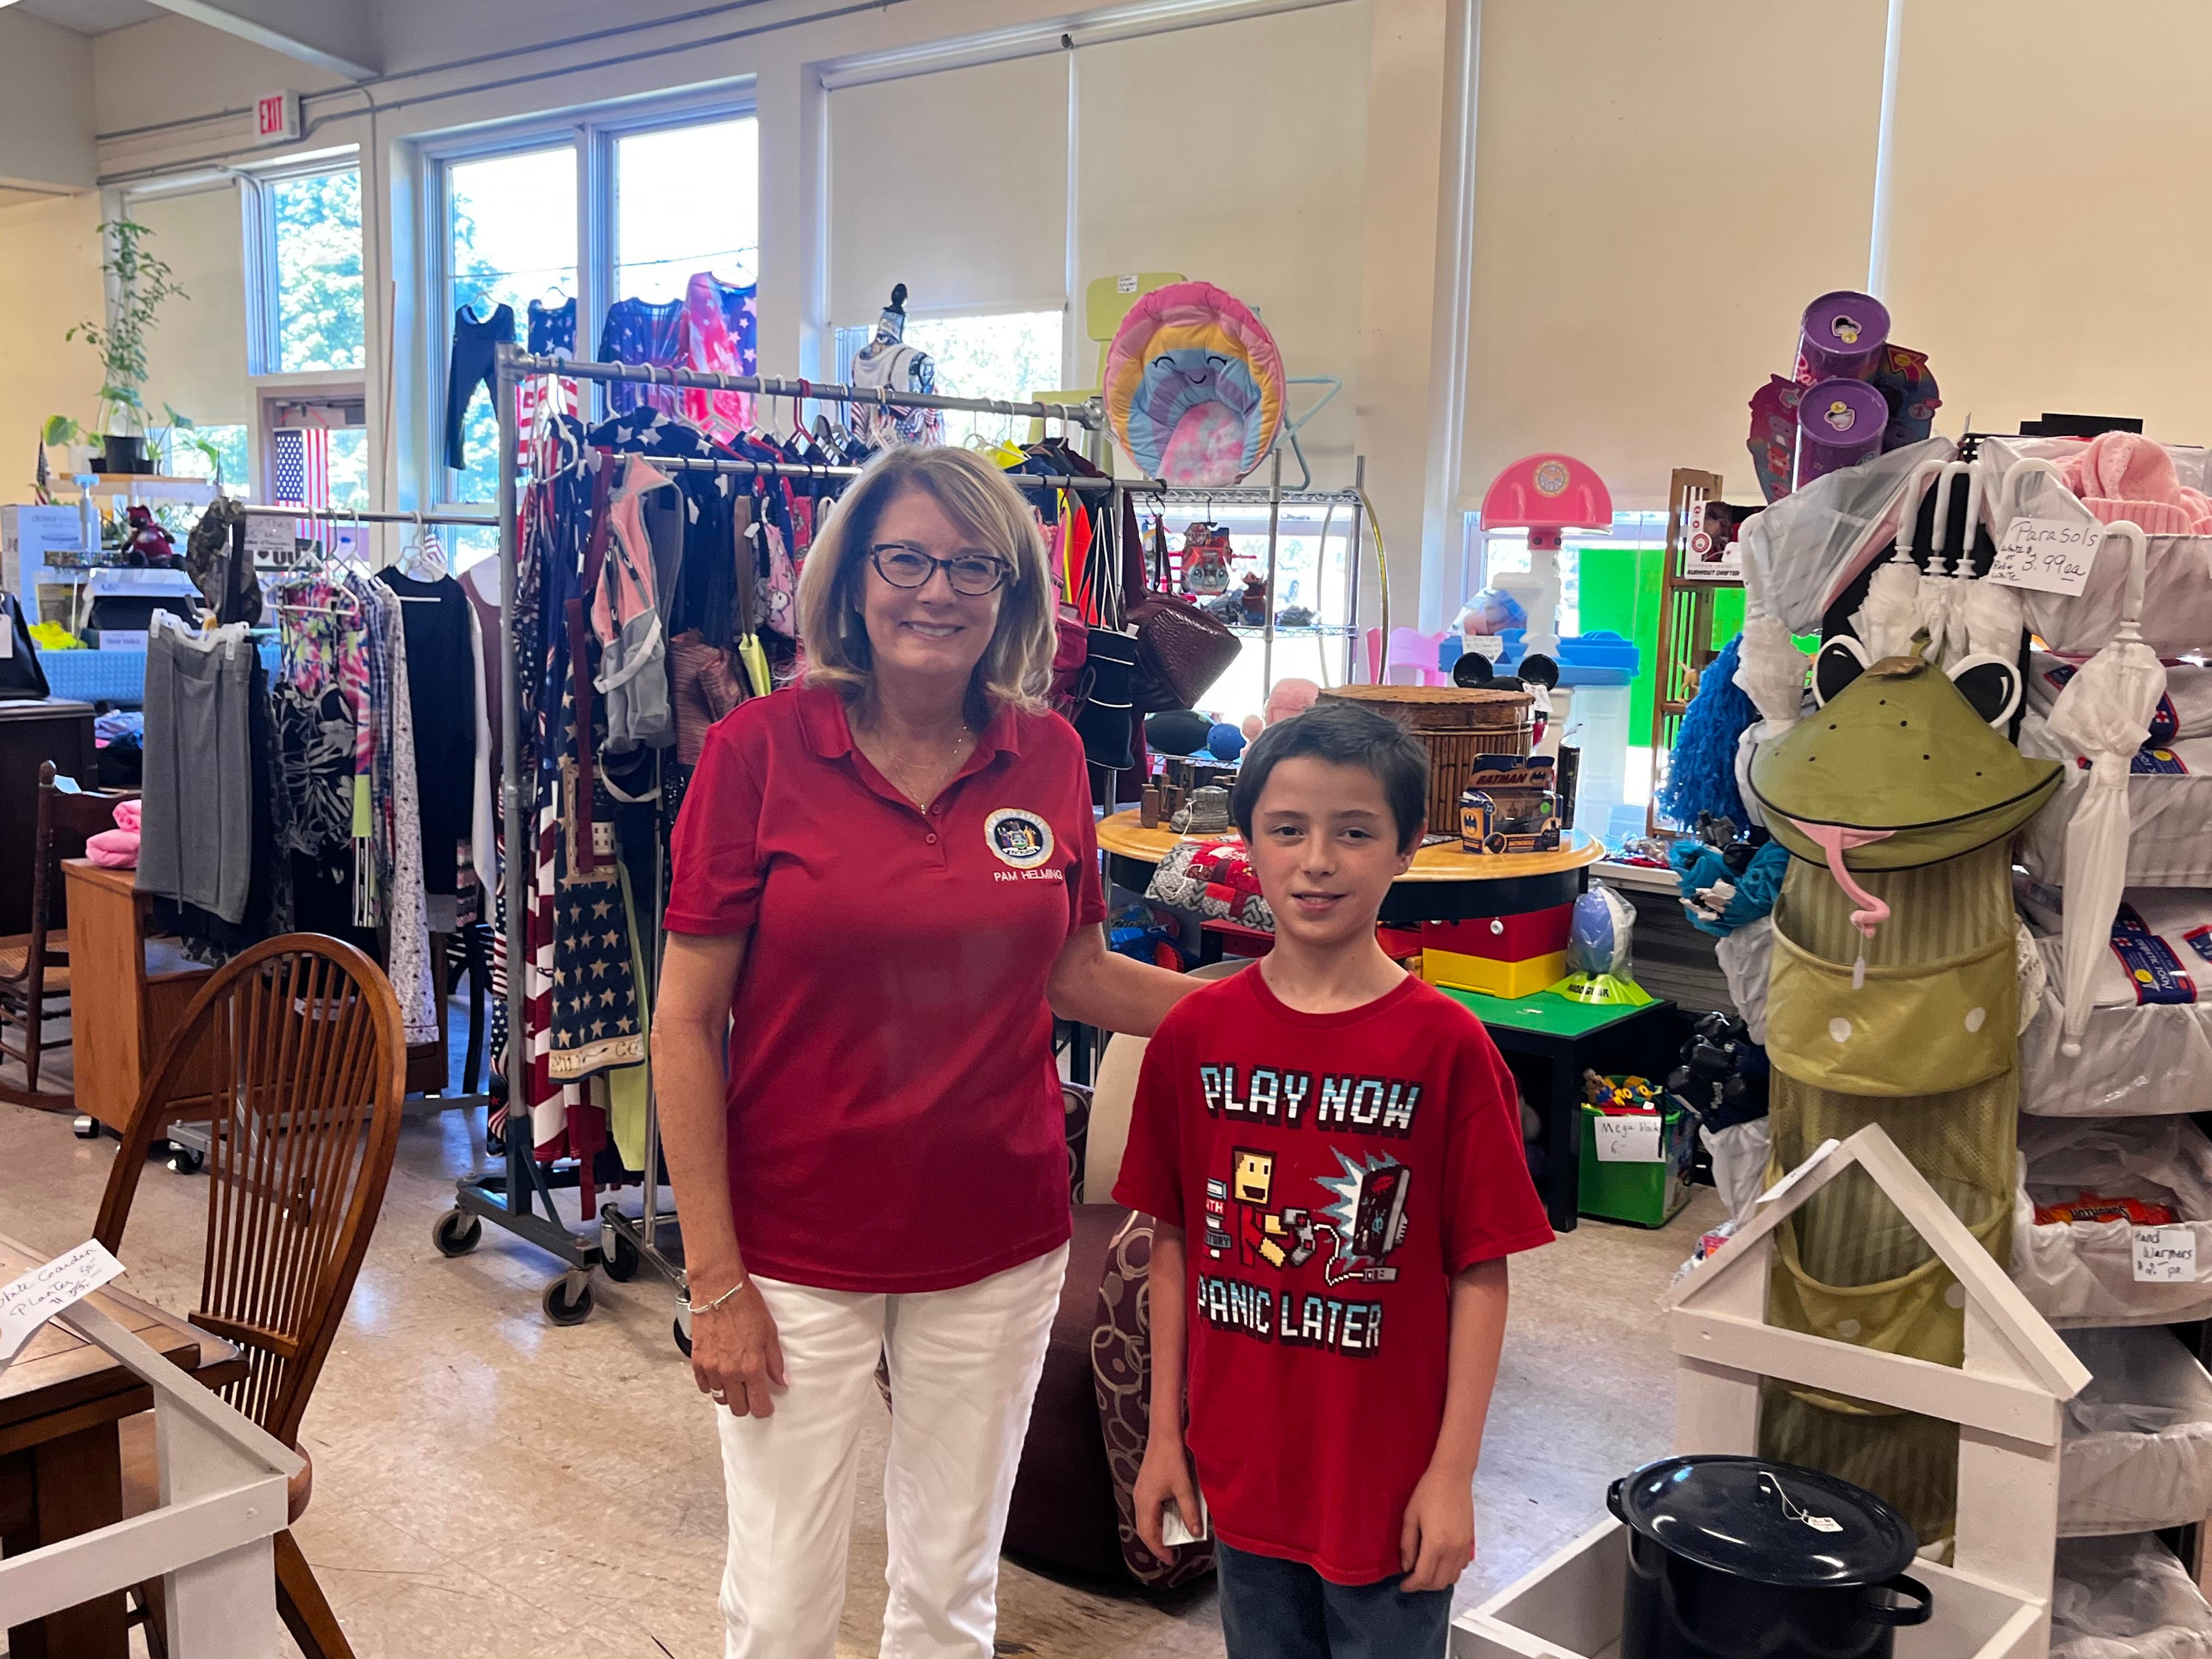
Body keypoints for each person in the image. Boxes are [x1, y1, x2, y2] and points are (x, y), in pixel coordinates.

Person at [654, 445, 1195, 1659]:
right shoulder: (757, 752)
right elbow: (686, 1021)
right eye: (905, 559)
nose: (935, 591)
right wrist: (715, 1279)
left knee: (952, 1592)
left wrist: (1261, 1008)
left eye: (972, 567)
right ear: (852, 581)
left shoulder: (1048, 755)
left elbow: (1075, 971)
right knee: (783, 1599)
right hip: (796, 1249)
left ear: (1010, 595)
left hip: (995, 1243)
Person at [1116, 701, 1553, 1658]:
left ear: (1407, 849)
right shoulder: (1193, 1039)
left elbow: (1481, 1273)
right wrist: (1164, 1440)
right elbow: (1176, 1244)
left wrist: (1453, 1474)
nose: (1318, 859)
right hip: (1241, 1469)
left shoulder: (1449, 1049)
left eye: (1355, 832)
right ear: (1249, 847)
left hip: (1389, 1487)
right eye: (1288, 830)